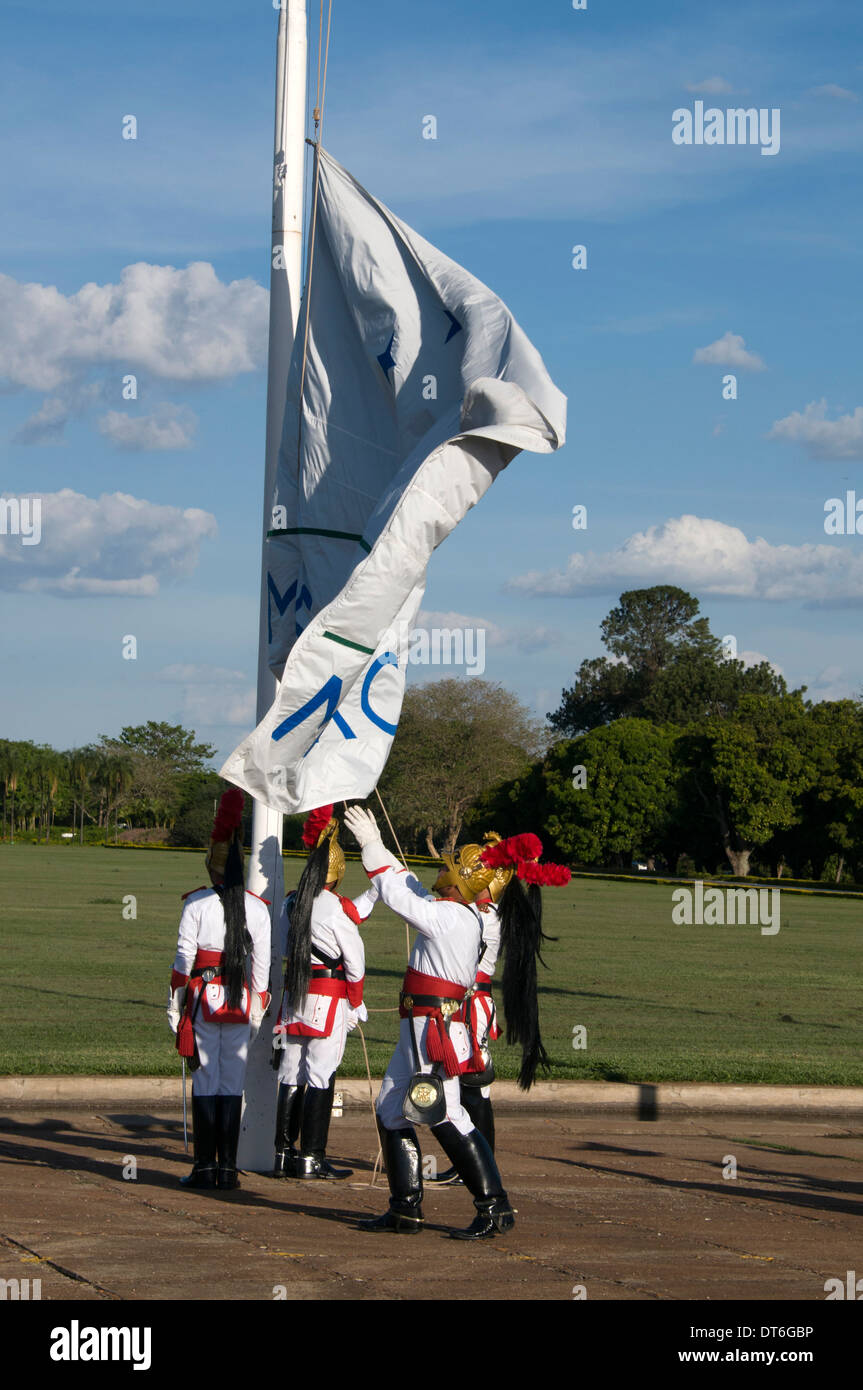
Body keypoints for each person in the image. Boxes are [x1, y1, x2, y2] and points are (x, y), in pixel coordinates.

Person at [344, 808, 566, 1239]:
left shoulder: (451, 916)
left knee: (444, 1113)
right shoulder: (453, 911)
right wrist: (380, 849)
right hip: (421, 1026)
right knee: (391, 1110)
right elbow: (405, 883)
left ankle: (493, 1205)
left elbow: (397, 893)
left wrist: (371, 845)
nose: (439, 873)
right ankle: (405, 1208)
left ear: (464, 878)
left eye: (448, 868)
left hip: (433, 1029)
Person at [167, 788, 271, 1191]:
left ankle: (204, 1167)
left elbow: (182, 965)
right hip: (242, 1000)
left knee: (206, 1081)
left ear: (212, 868)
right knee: (232, 1083)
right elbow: (261, 969)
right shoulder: (257, 909)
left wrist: (175, 1009)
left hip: (202, 999)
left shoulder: (196, 906)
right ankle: (227, 1169)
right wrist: (258, 1007)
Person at [272, 805, 379, 1180]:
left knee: (290, 1073)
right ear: (337, 875)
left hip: (294, 1000)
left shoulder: (290, 901)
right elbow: (356, 962)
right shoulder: (334, 908)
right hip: (328, 1000)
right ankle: (312, 1158)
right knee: (320, 1074)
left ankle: (283, 1155)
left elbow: (284, 948)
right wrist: (355, 1002)